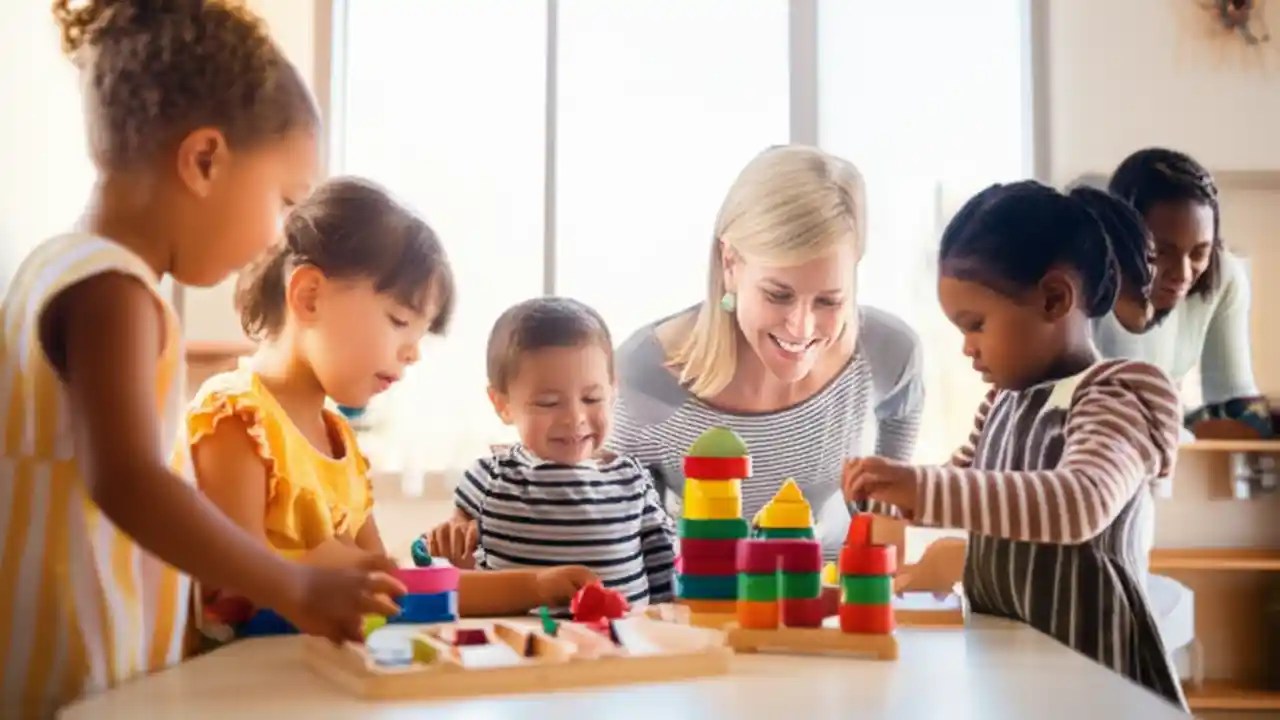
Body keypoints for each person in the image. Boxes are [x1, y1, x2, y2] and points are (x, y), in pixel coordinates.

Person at [0, 3, 402, 717]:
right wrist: (294, 584)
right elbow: (128, 481)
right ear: (205, 160)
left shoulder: (57, 268)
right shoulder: (109, 290)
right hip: (67, 682)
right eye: (283, 200)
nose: (278, 235)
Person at [188, 180, 598, 640]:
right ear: (310, 297)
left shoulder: (340, 443)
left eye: (420, 334)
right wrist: (332, 563)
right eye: (400, 322)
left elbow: (396, 588)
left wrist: (535, 584)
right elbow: (232, 586)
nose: (412, 353)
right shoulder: (237, 415)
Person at [844, 181, 1187, 711]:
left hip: (1094, 673)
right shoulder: (1006, 402)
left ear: (1054, 298)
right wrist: (883, 491)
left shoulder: (1114, 394)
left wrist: (921, 488)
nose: (967, 348)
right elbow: (968, 482)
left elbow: (1080, 502)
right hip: (1014, 660)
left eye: (976, 325)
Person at [608, 145, 923, 556]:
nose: (802, 328)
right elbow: (618, 538)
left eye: (829, 301)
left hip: (832, 608)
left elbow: (886, 523)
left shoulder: (887, 354)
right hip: (701, 608)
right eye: (778, 294)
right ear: (730, 264)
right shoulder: (645, 372)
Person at [424, 297, 677, 611]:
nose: (575, 417)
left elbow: (663, 567)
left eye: (592, 397)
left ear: (613, 390)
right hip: (524, 650)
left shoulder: (632, 480)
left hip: (620, 651)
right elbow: (449, 556)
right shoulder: (489, 478)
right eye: (548, 402)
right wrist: (451, 545)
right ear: (502, 404)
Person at [1096, 148, 1260, 417]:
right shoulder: (1083, 287)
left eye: (1199, 253)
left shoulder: (1224, 278)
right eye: (1161, 251)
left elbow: (1235, 400)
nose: (1183, 273)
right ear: (1120, 240)